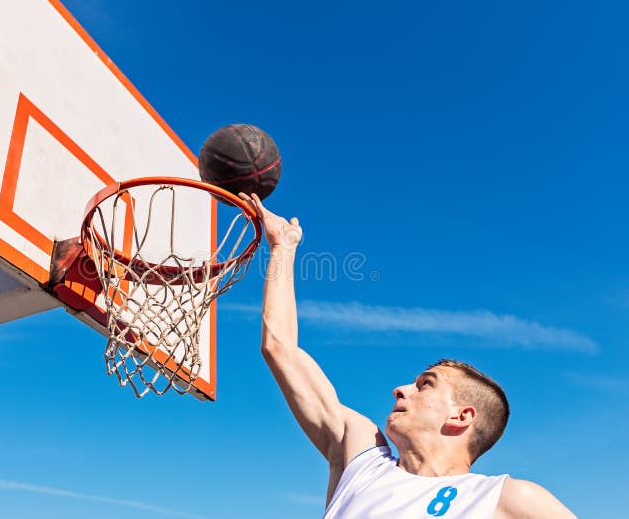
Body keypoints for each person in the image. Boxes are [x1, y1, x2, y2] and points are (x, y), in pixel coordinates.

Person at [241, 193, 576, 518]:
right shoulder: (363, 457)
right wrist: (283, 247)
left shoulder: (504, 499)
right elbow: (280, 348)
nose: (401, 389)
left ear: (461, 416)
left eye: (426, 385)